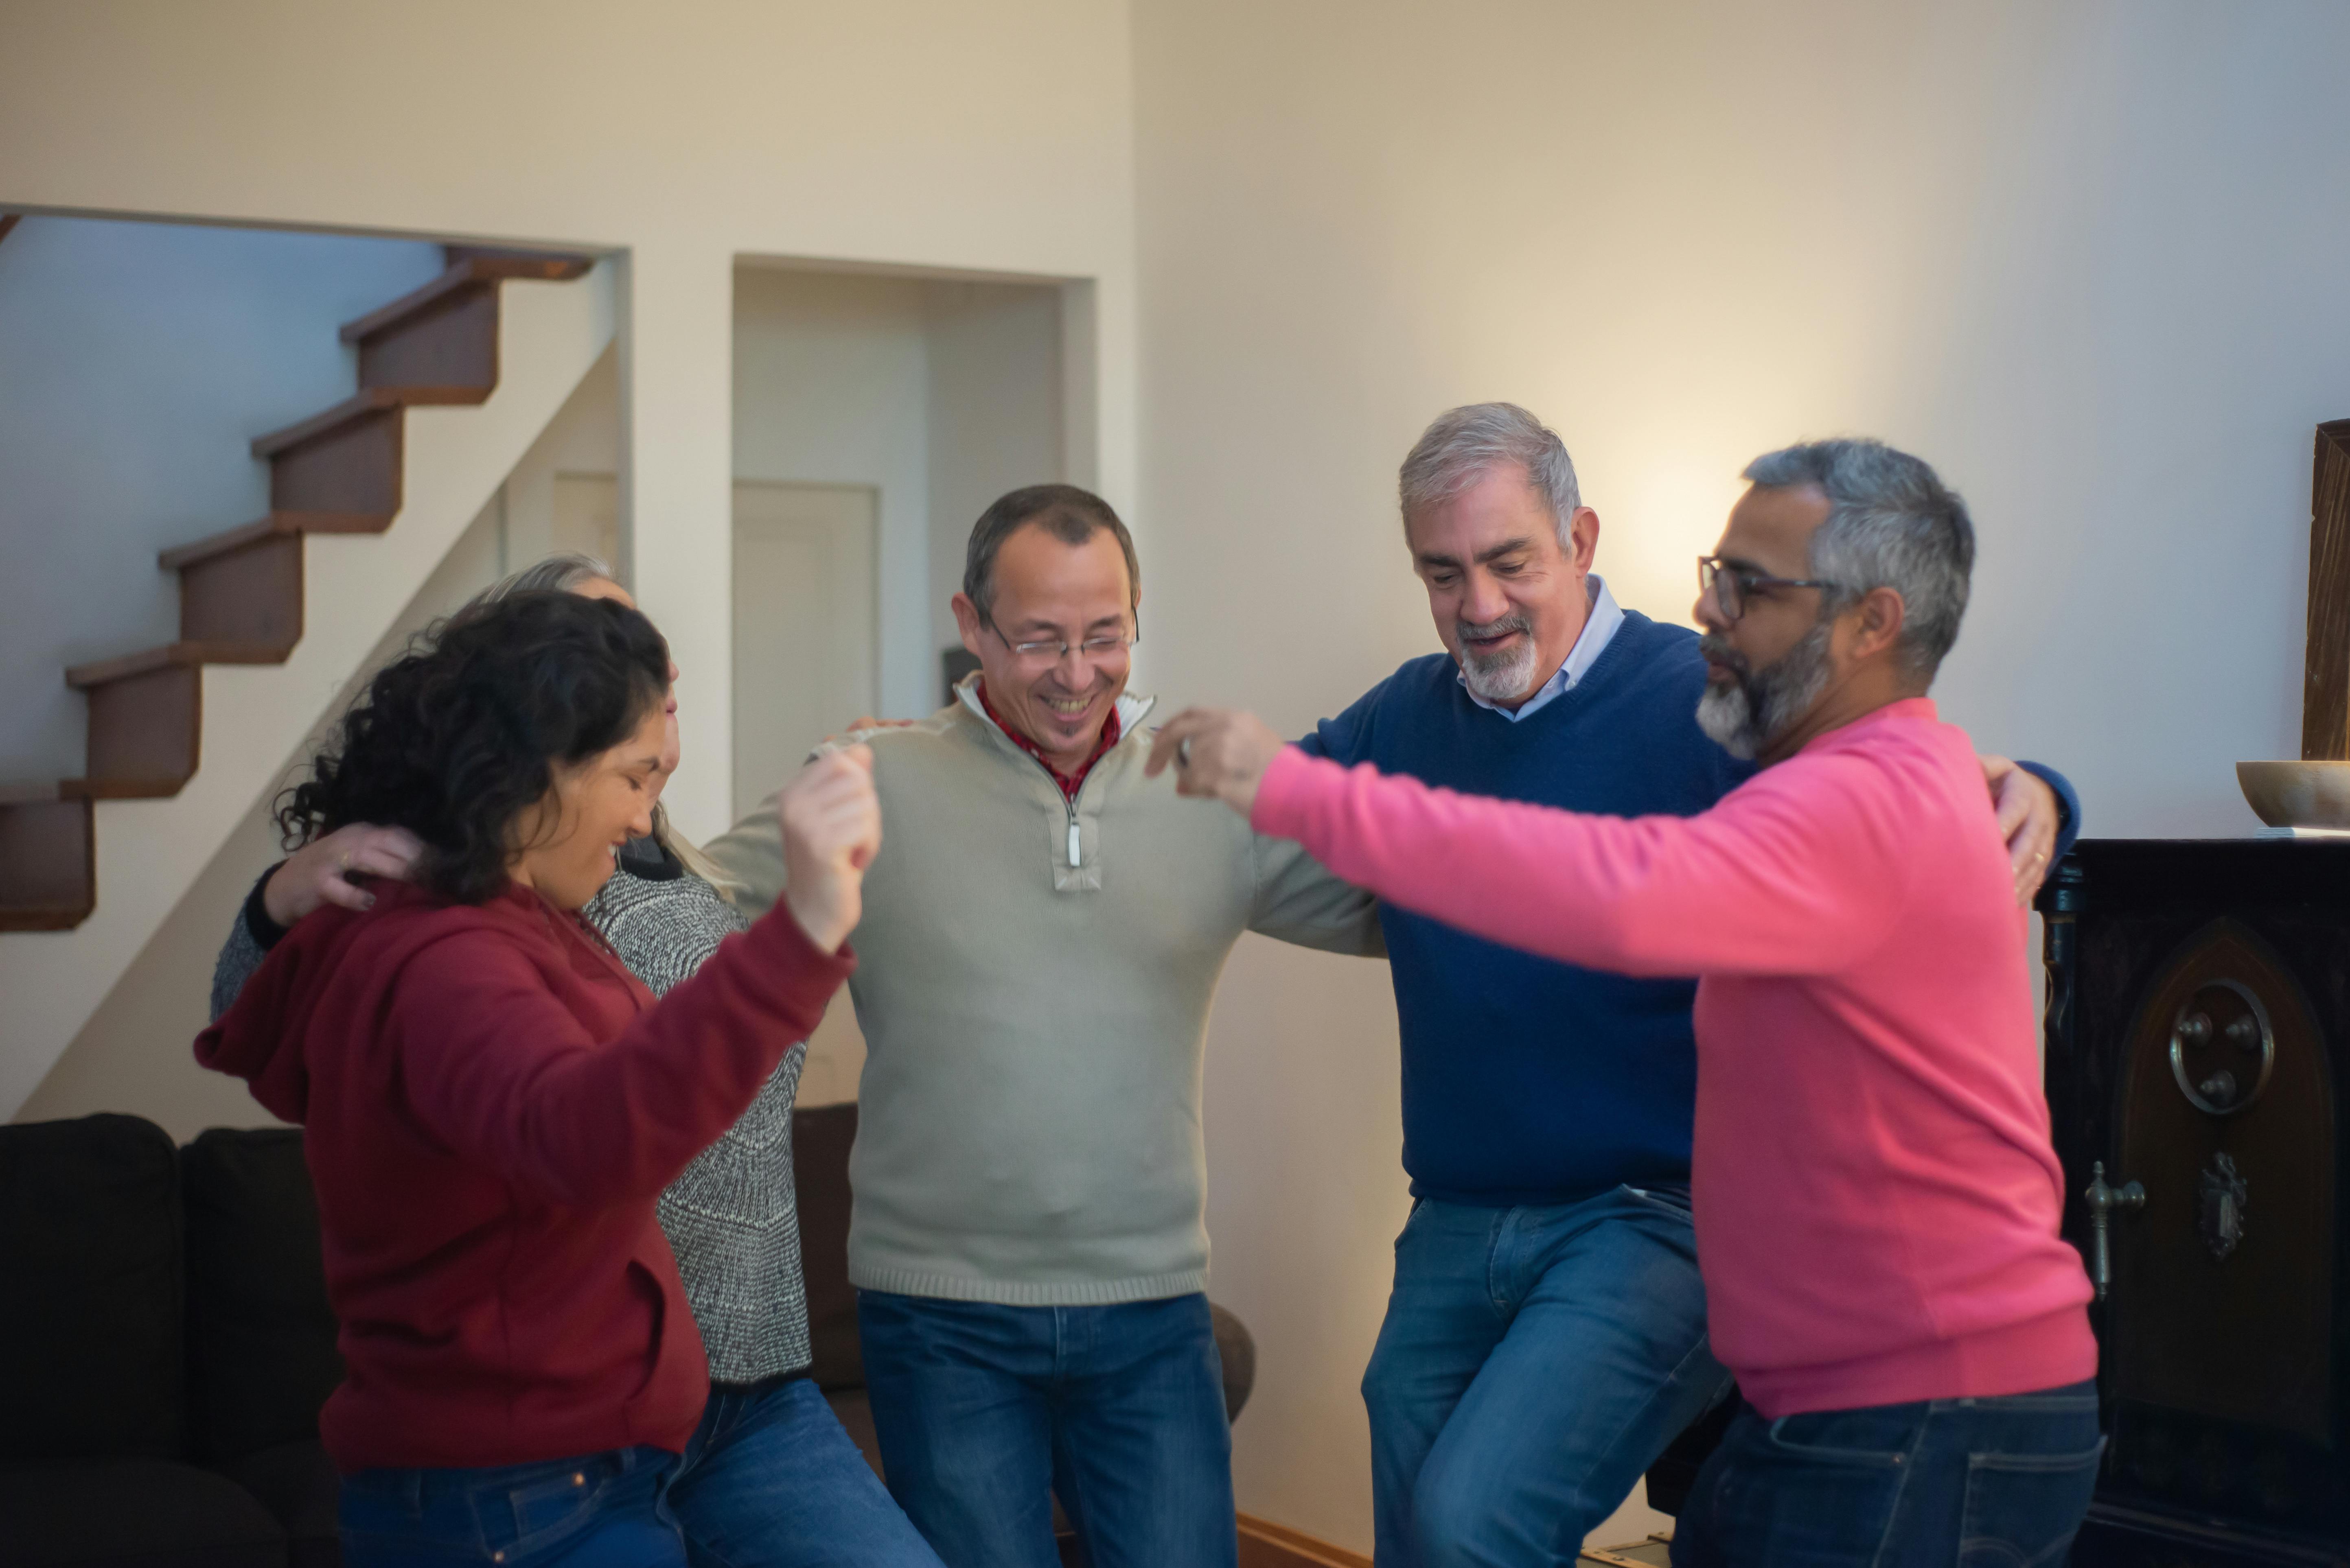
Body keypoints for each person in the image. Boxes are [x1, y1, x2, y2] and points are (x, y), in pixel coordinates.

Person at [1150, 437, 2102, 1568]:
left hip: (1903, 1384)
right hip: (1827, 1385)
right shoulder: (1856, 771)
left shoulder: (1832, 785)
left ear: (1869, 624)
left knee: (1470, 1520)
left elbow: (1618, 893)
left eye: (1746, 586)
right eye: (1715, 569)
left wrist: (1293, 785)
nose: (1706, 605)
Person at [208, 555, 943, 1568]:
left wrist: (876, 774)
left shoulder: (665, 876)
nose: (648, 795)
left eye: (659, 693)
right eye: (630, 763)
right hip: (547, 1460)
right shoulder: (442, 927)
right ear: (542, 735)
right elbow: (570, 1126)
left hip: (723, 1391)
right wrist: (275, 902)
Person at [701, 485, 1385, 1568]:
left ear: (1135, 613)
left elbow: (1424, 914)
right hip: (938, 1315)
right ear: (971, 625)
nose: (1076, 673)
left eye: (1103, 635)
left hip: (1153, 1308)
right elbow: (671, 912)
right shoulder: (869, 780)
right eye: (1038, 640)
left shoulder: (1209, 791)